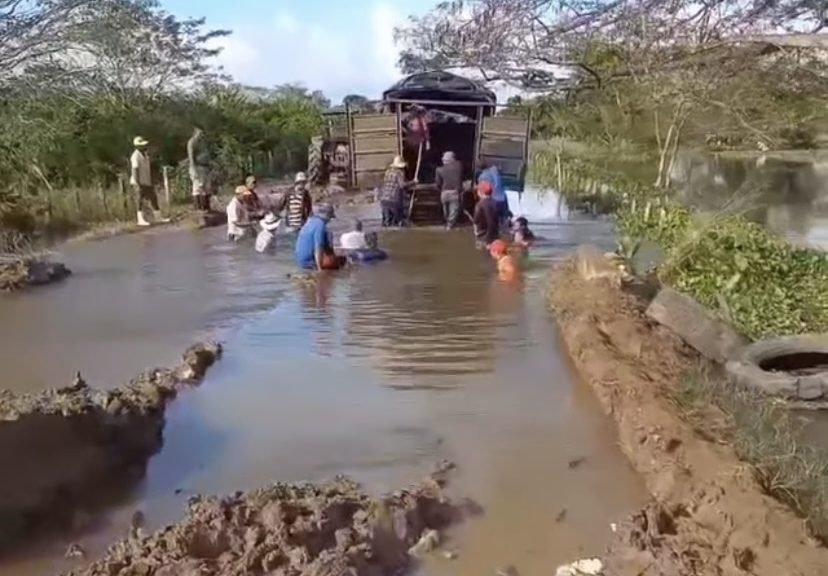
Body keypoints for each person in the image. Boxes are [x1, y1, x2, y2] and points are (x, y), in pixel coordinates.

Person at [129, 136, 169, 226]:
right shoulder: (135, 156)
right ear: (137, 146)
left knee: (153, 198)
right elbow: (135, 170)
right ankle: (140, 219)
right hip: (139, 182)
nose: (144, 146)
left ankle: (158, 217)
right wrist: (137, 183)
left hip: (146, 180)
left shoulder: (146, 155)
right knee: (139, 200)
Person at [295, 203, 344, 270]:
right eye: (330, 217)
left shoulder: (309, 222)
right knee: (342, 261)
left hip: (301, 262)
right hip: (310, 262)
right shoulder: (320, 225)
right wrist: (319, 269)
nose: (329, 220)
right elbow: (318, 247)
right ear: (326, 215)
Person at [380, 156, 414, 227]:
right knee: (396, 222)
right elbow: (402, 185)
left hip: (384, 199)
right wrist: (413, 182)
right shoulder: (399, 173)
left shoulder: (387, 172)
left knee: (386, 222)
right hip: (394, 199)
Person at [435, 151, 463, 230]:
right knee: (453, 212)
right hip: (454, 192)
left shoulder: (439, 170)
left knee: (446, 212)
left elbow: (438, 183)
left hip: (444, 193)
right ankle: (450, 226)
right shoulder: (459, 165)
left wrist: (439, 189)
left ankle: (448, 224)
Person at [478, 159, 510, 226]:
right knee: (504, 218)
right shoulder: (495, 171)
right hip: (503, 197)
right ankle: (505, 230)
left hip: (493, 199)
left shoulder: (482, 177)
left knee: (492, 219)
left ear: (479, 169)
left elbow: (483, 190)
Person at [187, 127, 211, 211]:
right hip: (197, 166)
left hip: (205, 166)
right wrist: (193, 169)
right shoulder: (192, 142)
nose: (201, 134)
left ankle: (206, 206)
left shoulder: (203, 142)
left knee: (206, 187)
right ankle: (198, 207)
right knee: (198, 187)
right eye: (199, 132)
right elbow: (191, 157)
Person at [473, 181, 500, 247]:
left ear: (480, 193)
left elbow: (476, 221)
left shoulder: (479, 204)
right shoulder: (496, 203)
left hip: (483, 235)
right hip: (495, 234)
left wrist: (476, 232)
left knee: (482, 252)